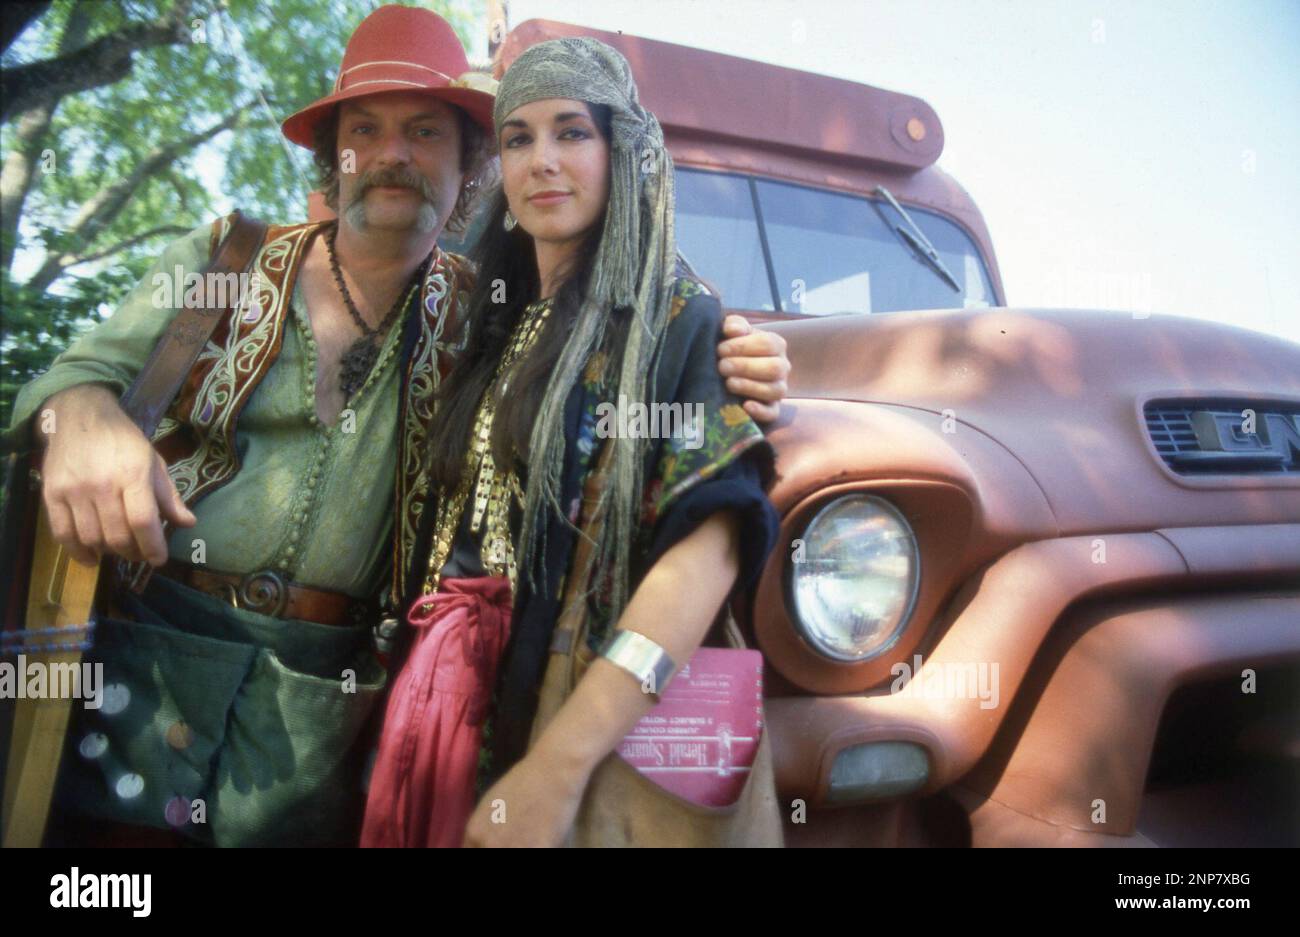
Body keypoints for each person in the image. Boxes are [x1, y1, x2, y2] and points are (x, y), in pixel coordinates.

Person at [3, 5, 789, 847]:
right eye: (365, 129)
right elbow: (66, 383)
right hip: (145, 673)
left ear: (467, 166)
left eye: (425, 131)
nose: (391, 155)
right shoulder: (225, 263)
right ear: (329, 155)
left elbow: (634, 350)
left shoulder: (480, 317)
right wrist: (81, 414)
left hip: (323, 724)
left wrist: (740, 364)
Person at [358, 36, 781, 848]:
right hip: (440, 696)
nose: (542, 160)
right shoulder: (490, 320)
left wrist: (560, 764)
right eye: (518, 138)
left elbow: (710, 550)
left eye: (571, 132)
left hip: (556, 717)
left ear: (620, 149)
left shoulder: (675, 319)